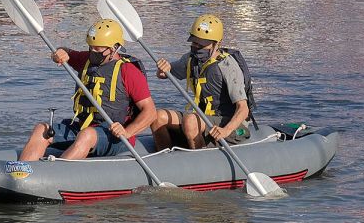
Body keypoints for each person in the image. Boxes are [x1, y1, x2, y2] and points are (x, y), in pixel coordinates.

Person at [19, 19, 157, 161]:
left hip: (114, 136)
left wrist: (127, 132)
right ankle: (23, 172)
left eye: (97, 49)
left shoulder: (128, 71)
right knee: (41, 129)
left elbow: (150, 112)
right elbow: (66, 52)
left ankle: (57, 175)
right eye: (91, 47)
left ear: (114, 48)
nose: (92, 52)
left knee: (87, 135)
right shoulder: (87, 59)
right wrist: (59, 54)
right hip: (82, 127)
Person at [151, 14, 255, 151]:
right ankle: (166, 158)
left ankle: (199, 160)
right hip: (200, 120)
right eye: (194, 42)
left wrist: (225, 131)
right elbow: (165, 74)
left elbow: (243, 108)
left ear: (217, 43)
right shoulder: (190, 59)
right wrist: (162, 68)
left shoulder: (228, 66)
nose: (196, 47)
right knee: (157, 117)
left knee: (190, 120)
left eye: (202, 44)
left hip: (227, 122)